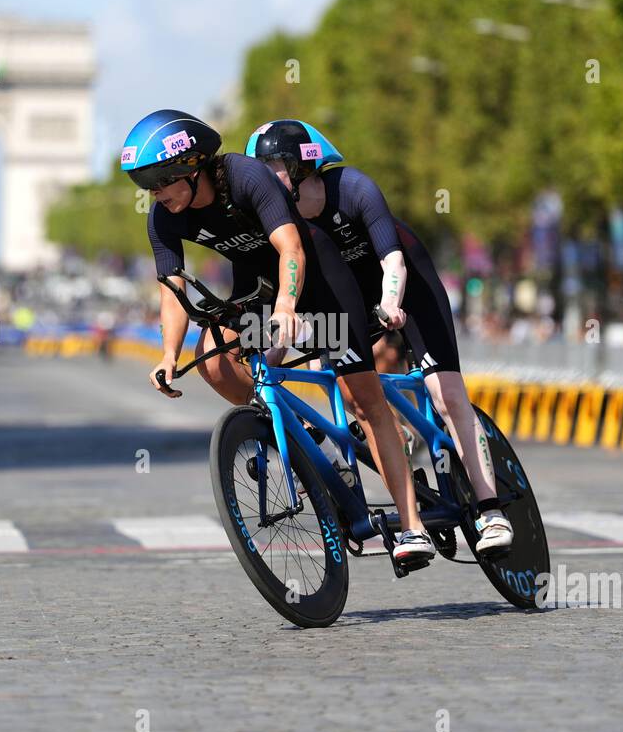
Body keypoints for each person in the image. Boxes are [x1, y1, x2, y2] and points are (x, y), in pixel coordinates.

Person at [122, 109, 436, 564]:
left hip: (319, 281)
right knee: (211, 356)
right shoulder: (164, 218)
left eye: (159, 182)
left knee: (363, 399)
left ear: (189, 167)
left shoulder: (246, 176)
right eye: (146, 186)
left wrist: (289, 306)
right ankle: (308, 438)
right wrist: (168, 354)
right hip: (259, 291)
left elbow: (290, 247)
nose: (154, 195)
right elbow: (173, 291)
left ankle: (412, 527)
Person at [244, 119, 513, 553]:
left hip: (408, 286)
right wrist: (267, 357)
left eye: (273, 165)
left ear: (300, 166)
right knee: (346, 389)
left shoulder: (354, 188)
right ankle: (398, 454)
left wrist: (390, 304)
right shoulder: (281, 221)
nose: (263, 176)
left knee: (445, 395)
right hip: (347, 298)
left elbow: (393, 261)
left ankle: (491, 510)